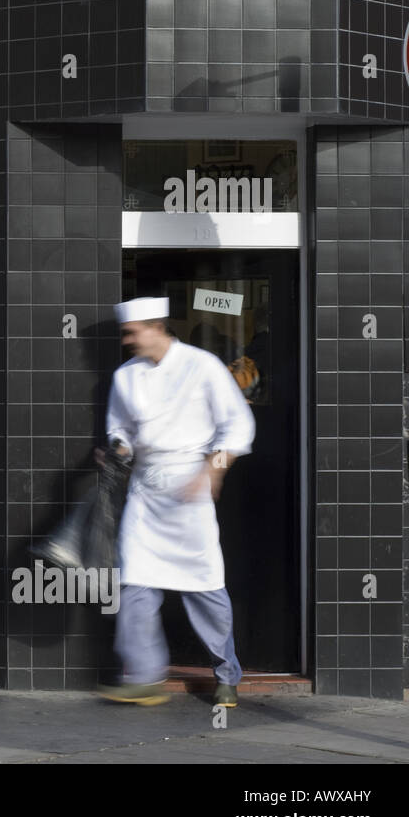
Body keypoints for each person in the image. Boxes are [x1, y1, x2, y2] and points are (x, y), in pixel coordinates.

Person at [95, 296, 255, 709]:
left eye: (133, 332)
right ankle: (145, 678)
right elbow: (121, 427)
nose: (128, 340)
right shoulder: (126, 376)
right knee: (136, 583)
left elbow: (238, 425)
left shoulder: (202, 366)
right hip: (146, 489)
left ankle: (227, 675)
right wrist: (119, 447)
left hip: (190, 487)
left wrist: (213, 470)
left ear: (154, 327)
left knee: (204, 587)